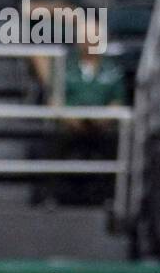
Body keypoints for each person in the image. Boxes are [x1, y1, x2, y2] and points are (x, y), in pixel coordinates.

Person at [50, 32, 126, 206]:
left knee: (117, 142)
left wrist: (103, 119)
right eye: (86, 37)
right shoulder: (64, 67)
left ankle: (110, 197)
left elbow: (117, 101)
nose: (89, 42)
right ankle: (52, 196)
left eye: (94, 37)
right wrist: (71, 119)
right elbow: (54, 100)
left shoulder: (112, 69)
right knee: (53, 138)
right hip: (69, 123)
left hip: (102, 125)